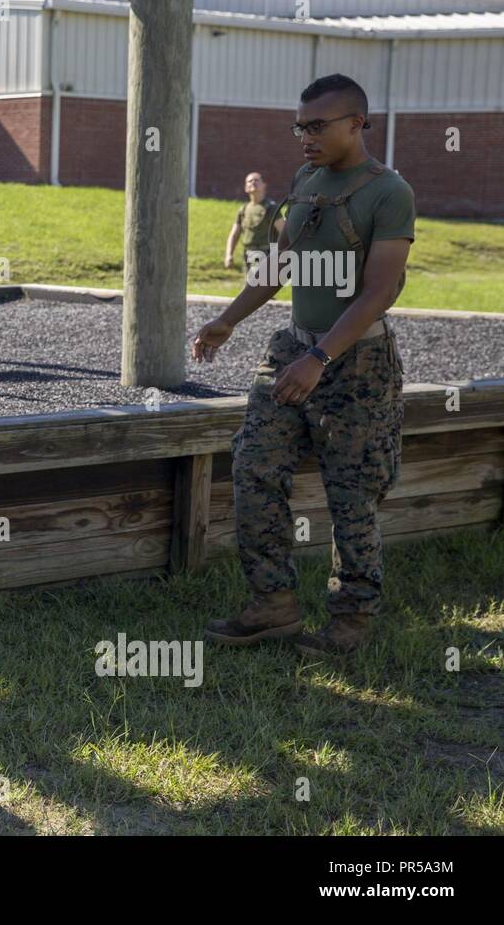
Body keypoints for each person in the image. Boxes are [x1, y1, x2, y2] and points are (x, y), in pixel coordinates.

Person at [194, 74, 415, 657]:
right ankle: (273, 603)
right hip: (293, 348)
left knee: (353, 492)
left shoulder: (389, 192)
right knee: (254, 466)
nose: (305, 137)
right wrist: (229, 319)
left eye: (318, 126)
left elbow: (378, 291)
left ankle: (352, 619)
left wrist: (321, 358)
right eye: (300, 126)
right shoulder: (305, 181)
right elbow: (279, 262)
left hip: (357, 360)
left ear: (356, 124)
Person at [224, 171, 284, 274]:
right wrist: (229, 254)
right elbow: (234, 234)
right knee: (250, 285)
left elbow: (283, 232)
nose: (253, 182)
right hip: (248, 254)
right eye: (250, 181)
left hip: (265, 254)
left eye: (257, 180)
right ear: (246, 188)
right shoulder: (243, 210)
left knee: (257, 286)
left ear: (264, 186)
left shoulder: (271, 208)